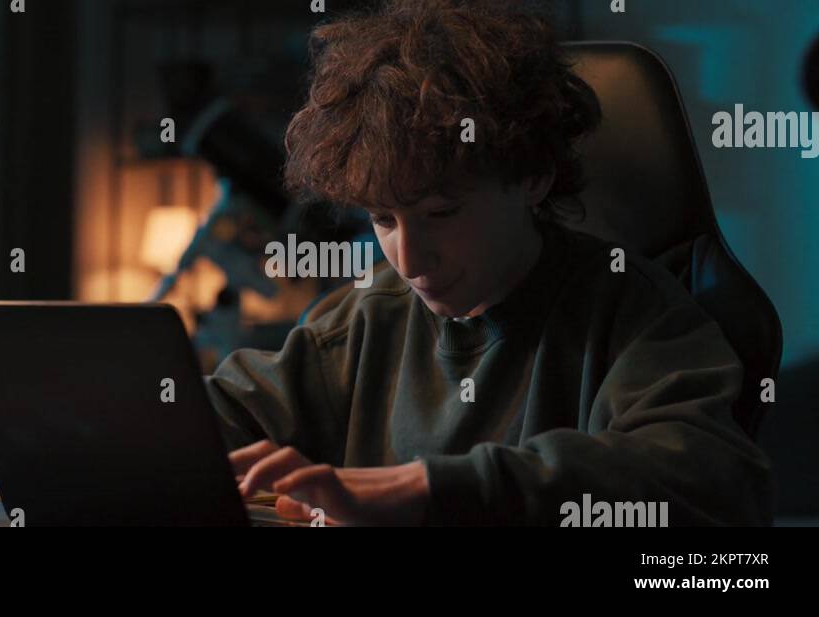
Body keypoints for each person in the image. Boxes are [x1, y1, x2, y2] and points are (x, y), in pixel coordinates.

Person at [203, 0, 773, 525]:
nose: (410, 259)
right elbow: (207, 418)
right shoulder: (365, 318)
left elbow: (712, 482)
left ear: (533, 176)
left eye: (443, 212)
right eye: (382, 219)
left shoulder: (637, 312)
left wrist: (429, 489)